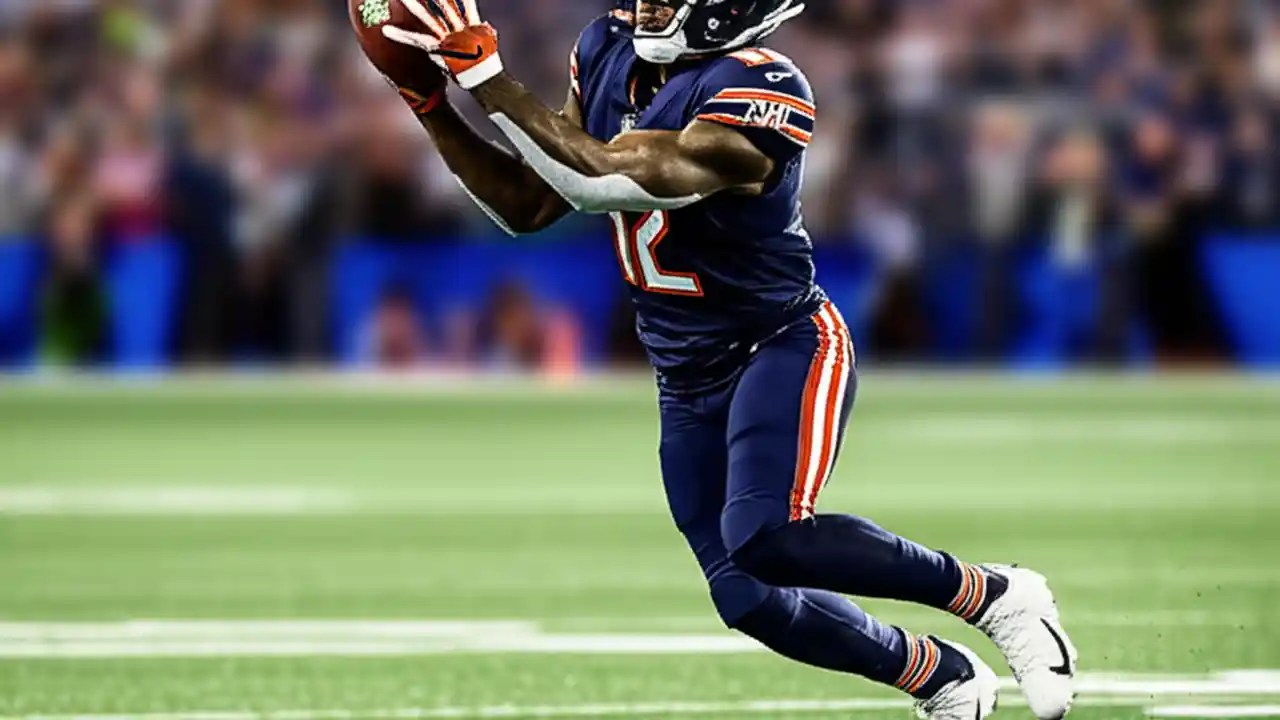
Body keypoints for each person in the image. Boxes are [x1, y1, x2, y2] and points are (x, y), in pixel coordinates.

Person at [370, 1, 1076, 717]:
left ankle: (995, 594)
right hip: (685, 372)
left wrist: (487, 75)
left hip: (777, 340)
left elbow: (602, 179)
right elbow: (530, 202)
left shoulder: (765, 85)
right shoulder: (607, 47)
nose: (647, 3)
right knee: (748, 598)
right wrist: (428, 101)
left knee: (771, 535)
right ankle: (939, 677)